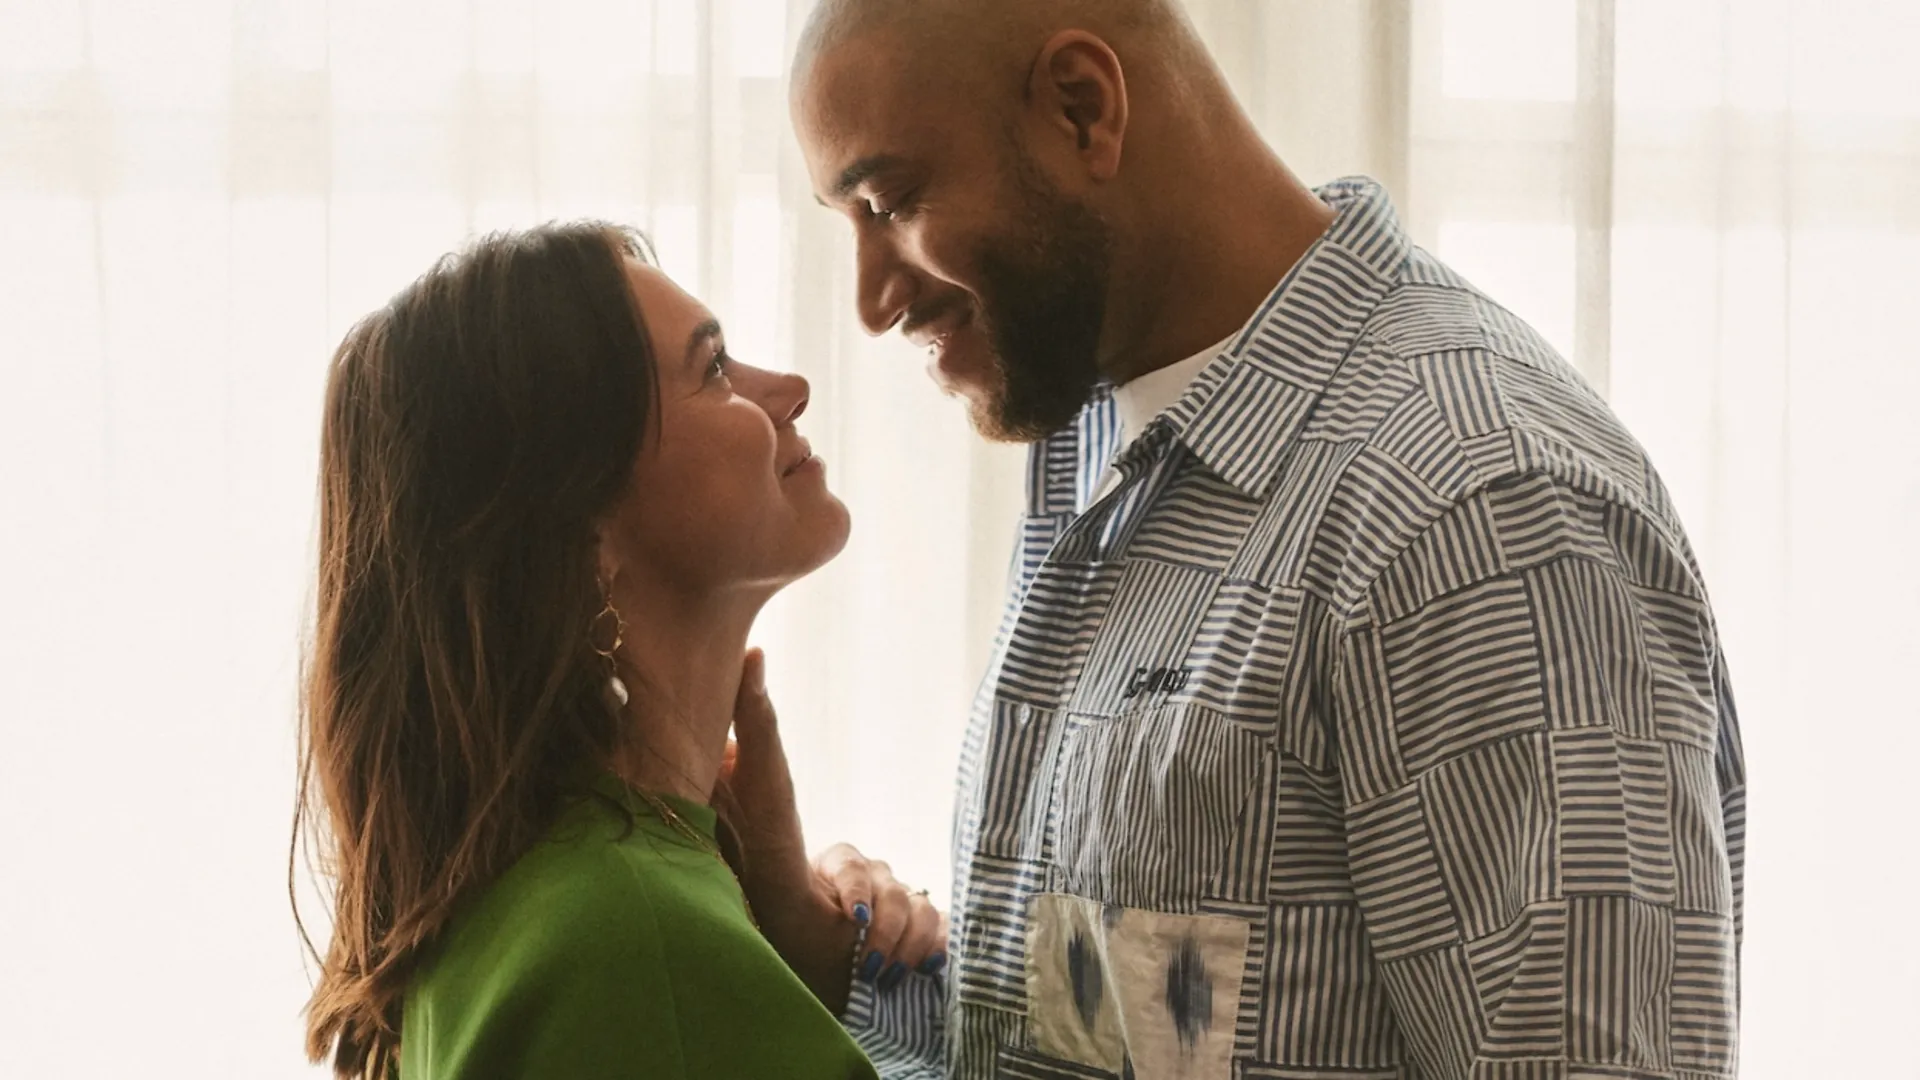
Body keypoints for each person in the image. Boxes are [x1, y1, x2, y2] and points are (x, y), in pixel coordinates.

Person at [791, 2, 1746, 1078]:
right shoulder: (1098, 444)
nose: (872, 301)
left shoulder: (1478, 510)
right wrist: (827, 959)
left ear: (1082, 108)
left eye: (892, 203)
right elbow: (1122, 1045)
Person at [293, 222, 947, 1079]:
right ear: (581, 529)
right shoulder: (633, 935)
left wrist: (810, 953)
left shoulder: (564, 890)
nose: (789, 387)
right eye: (713, 370)